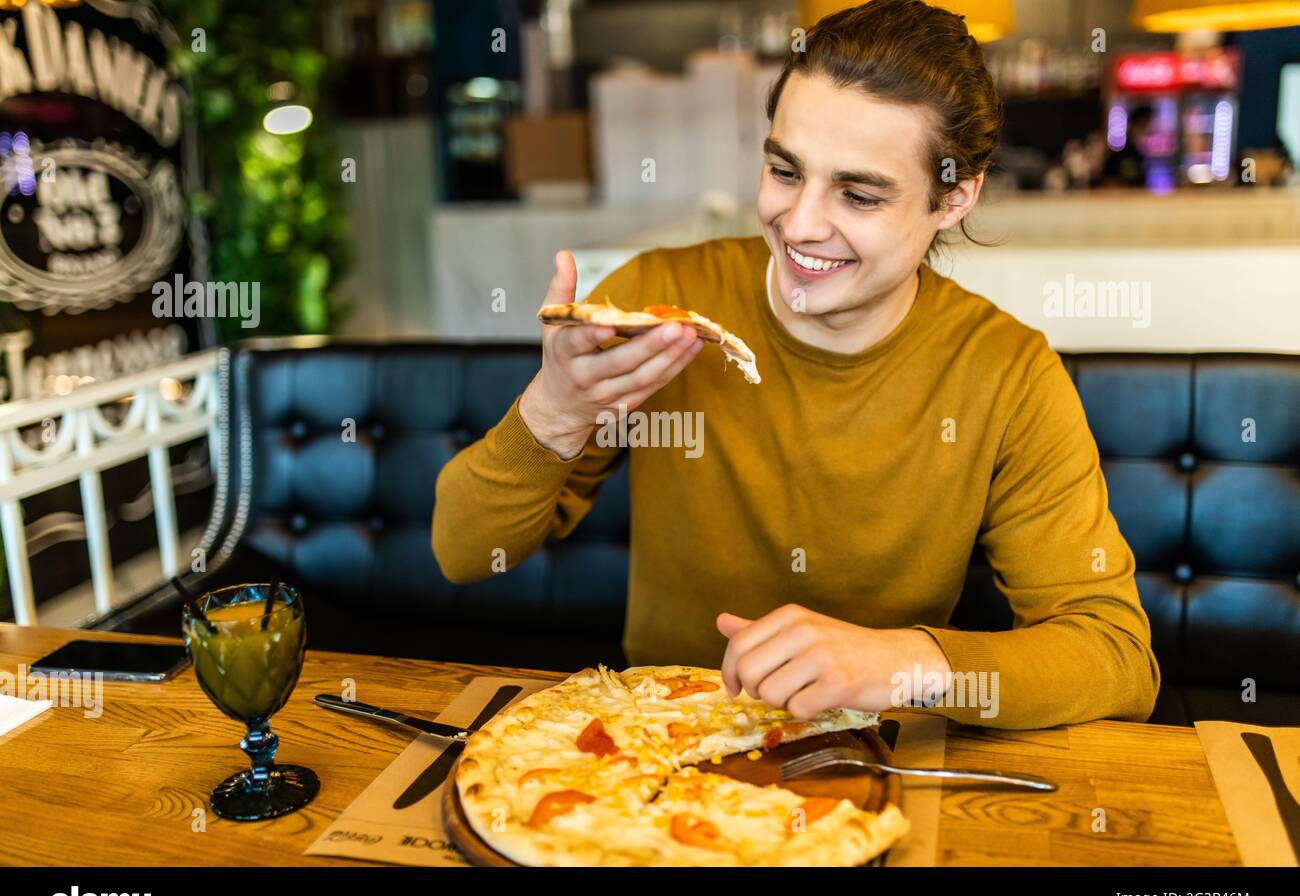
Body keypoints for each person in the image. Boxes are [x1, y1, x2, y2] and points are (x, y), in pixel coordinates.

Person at [433, 0, 1159, 730]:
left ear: (953, 197)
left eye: (859, 193)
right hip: (652, 748)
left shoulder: (1007, 372)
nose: (800, 224)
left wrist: (900, 663)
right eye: (785, 171)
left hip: (866, 762)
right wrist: (553, 410)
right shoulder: (659, 303)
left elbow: (1116, 657)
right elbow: (464, 554)